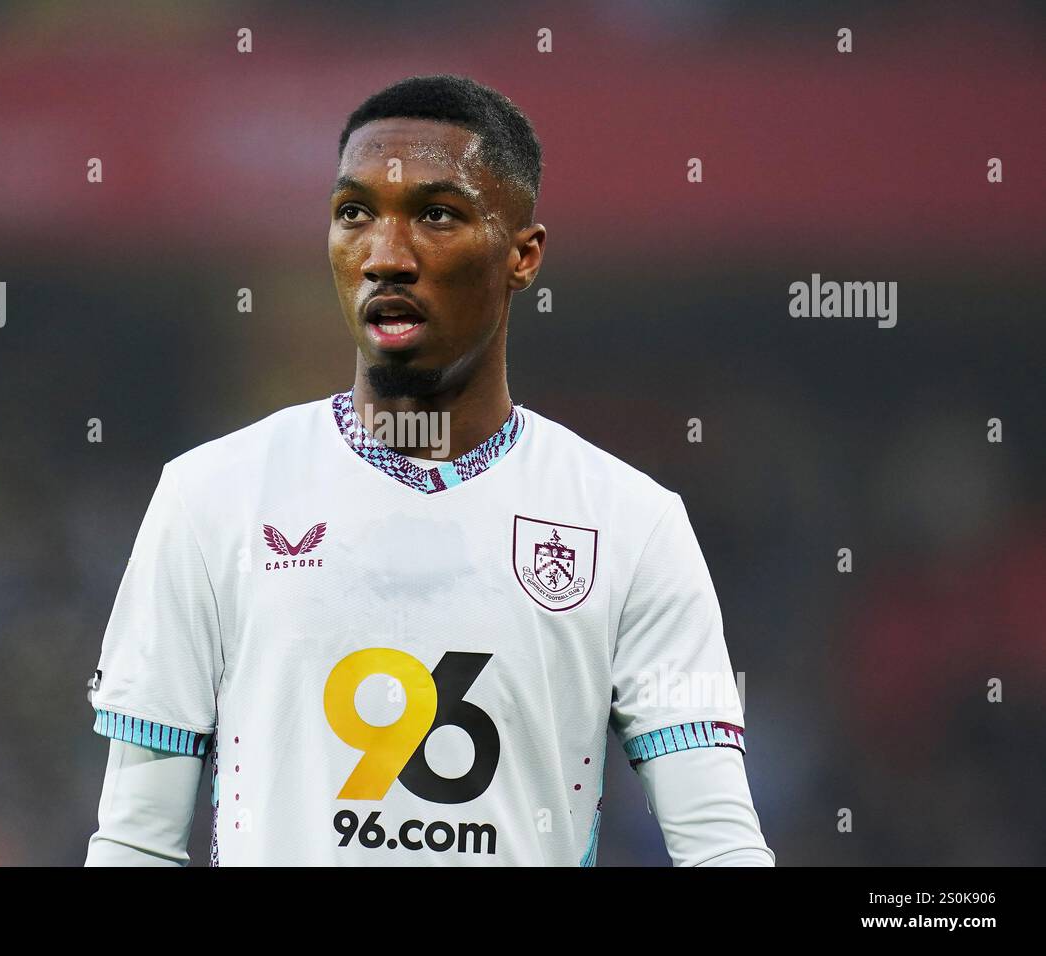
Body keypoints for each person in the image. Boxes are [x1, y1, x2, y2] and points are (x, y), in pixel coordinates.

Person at [85, 74, 772, 866]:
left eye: (436, 216)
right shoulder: (209, 499)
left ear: (522, 255)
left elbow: (719, 848)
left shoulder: (632, 524)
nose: (385, 256)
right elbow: (136, 842)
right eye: (355, 213)